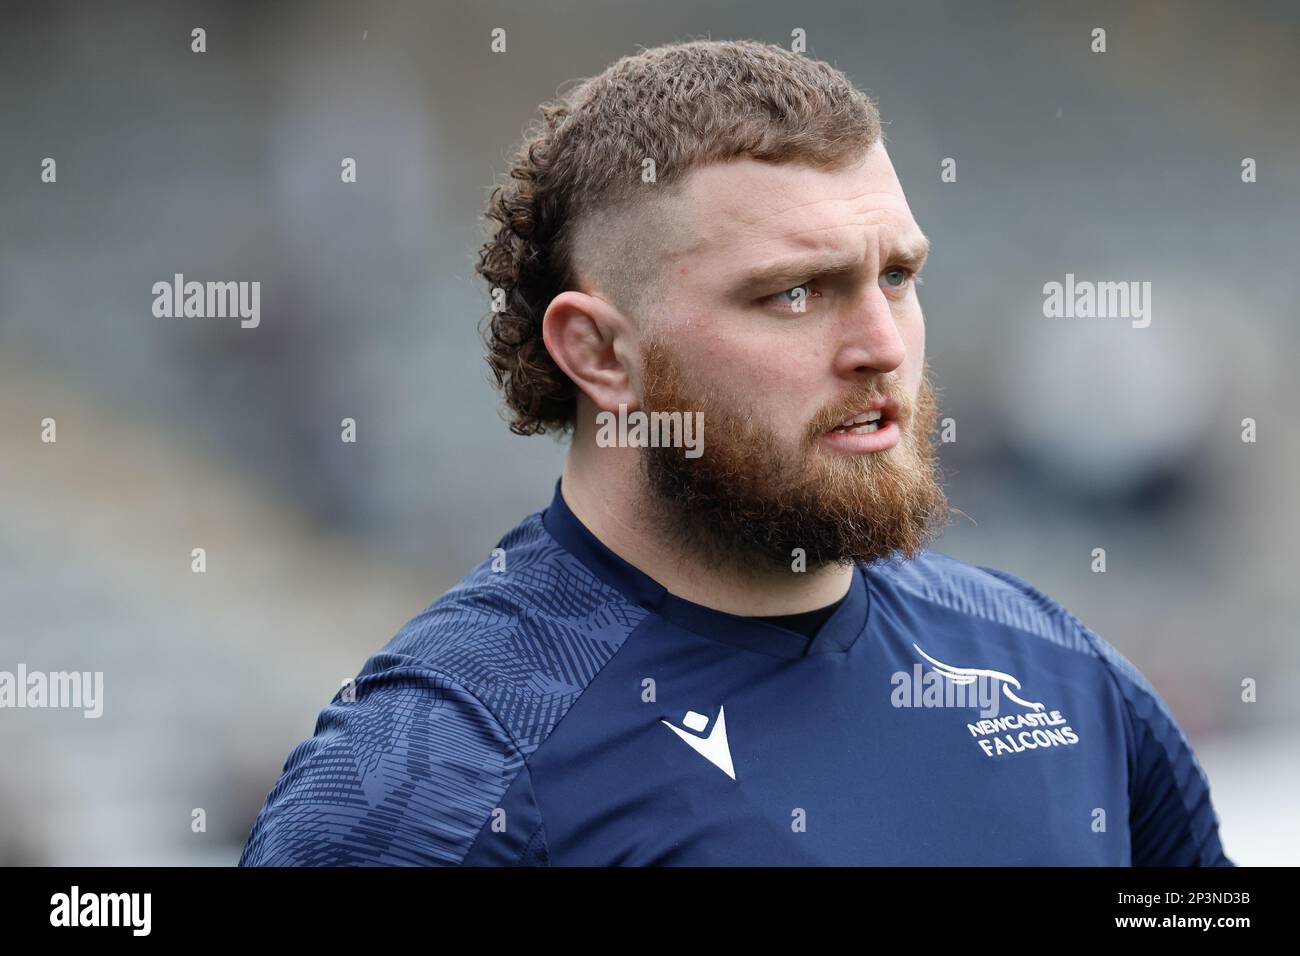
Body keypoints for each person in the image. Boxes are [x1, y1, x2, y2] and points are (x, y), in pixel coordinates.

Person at [240, 39, 1231, 866]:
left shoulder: (1055, 670)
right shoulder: (434, 774)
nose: (880, 344)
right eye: (792, 292)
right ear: (599, 351)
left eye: (895, 275)